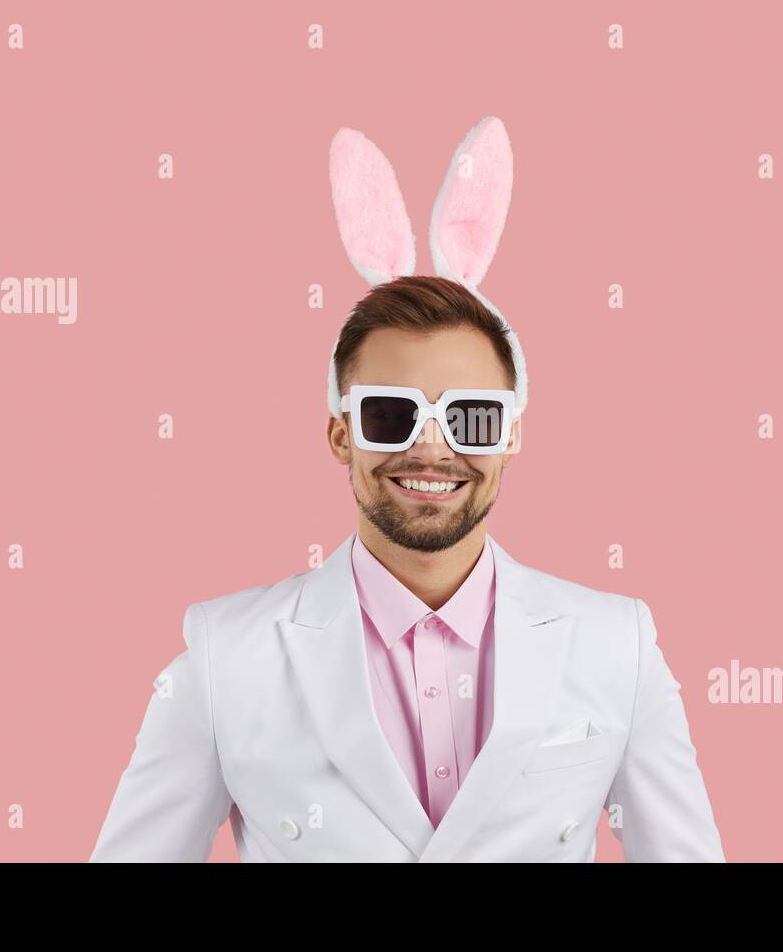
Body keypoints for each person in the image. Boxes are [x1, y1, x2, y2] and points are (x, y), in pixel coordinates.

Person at [89, 118, 724, 862]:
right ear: (340, 434)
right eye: (390, 415)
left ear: (511, 436)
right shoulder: (226, 659)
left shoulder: (619, 648)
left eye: (471, 417)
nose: (433, 446)